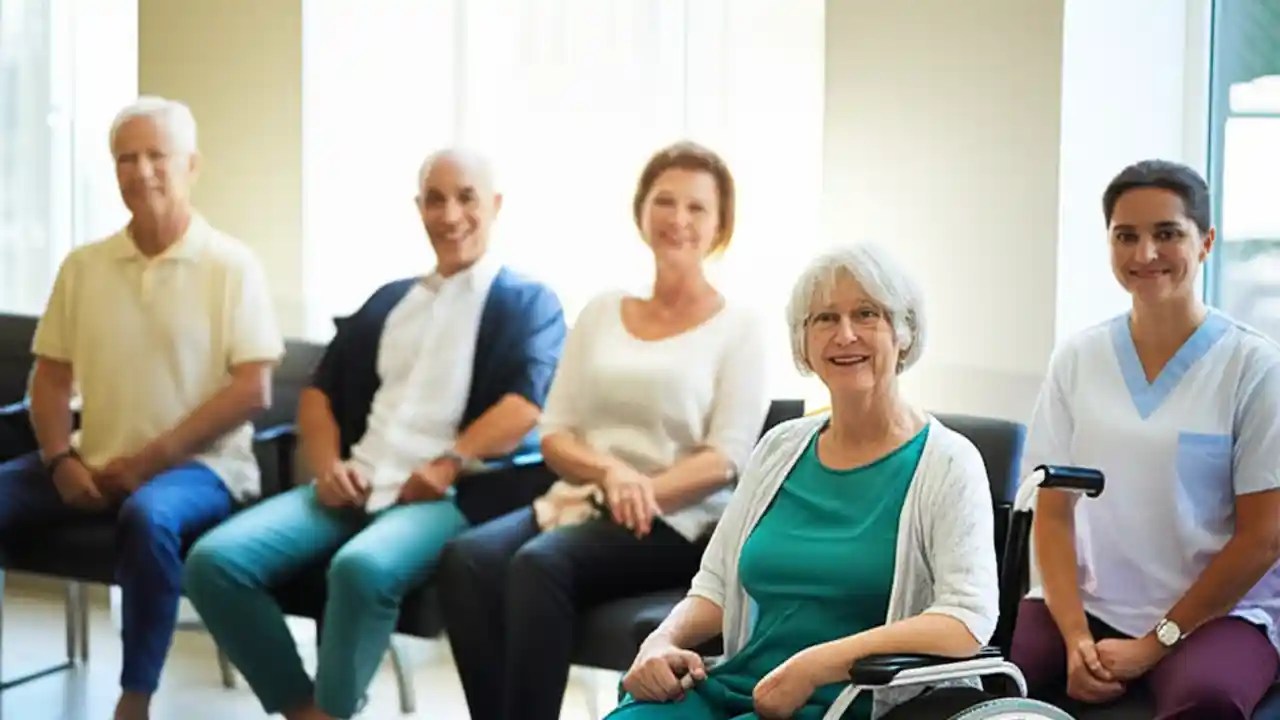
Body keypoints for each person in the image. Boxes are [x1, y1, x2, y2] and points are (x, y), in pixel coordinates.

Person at [182, 148, 566, 720]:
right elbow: (319, 393)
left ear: (496, 206)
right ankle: (304, 710)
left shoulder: (526, 301)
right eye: (435, 199)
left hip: (449, 494)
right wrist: (328, 463)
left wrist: (448, 463)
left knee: (359, 570)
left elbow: (522, 407)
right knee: (213, 562)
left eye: (466, 198)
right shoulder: (389, 300)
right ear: (419, 209)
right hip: (356, 479)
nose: (450, 214)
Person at [435, 141, 771, 720]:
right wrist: (612, 474)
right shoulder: (600, 311)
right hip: (582, 500)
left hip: (681, 521)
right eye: (665, 202)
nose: (678, 219)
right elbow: (556, 432)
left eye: (697, 208)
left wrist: (642, 493)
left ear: (721, 225)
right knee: (466, 560)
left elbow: (727, 457)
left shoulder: (740, 327)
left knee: (539, 564)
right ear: (642, 211)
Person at [610, 244, 1001, 720]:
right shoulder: (779, 448)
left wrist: (818, 665)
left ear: (904, 332)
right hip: (738, 685)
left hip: (850, 701)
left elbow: (965, 619)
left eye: (867, 314)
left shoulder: (949, 463)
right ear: (803, 341)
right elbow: (714, 586)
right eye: (824, 319)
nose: (846, 334)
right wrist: (660, 642)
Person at [0, 96, 284, 720]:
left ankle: (135, 698)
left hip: (204, 471)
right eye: (127, 158)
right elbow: (48, 380)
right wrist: (59, 462)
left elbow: (252, 389)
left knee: (149, 516)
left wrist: (147, 463)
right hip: (95, 456)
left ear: (192, 166)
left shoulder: (231, 265)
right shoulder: (85, 267)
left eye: (158, 155)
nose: (142, 171)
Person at [1010, 159, 1280, 719]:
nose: (1145, 254)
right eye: (1125, 236)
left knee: (1208, 698)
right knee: (1004, 673)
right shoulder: (1078, 359)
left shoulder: (1254, 366)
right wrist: (1076, 637)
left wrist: (1154, 644)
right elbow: (1052, 512)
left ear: (1205, 242)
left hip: (1219, 611)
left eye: (1167, 234)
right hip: (1095, 601)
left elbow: (1264, 538)